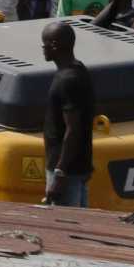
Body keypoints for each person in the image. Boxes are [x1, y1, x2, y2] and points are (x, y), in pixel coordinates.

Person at [40, 19, 94, 207]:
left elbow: (73, 129)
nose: (42, 48)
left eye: (44, 44)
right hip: (78, 167)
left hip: (66, 172)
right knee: (78, 220)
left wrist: (60, 173)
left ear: (54, 45)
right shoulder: (79, 70)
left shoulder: (67, 80)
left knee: (64, 221)